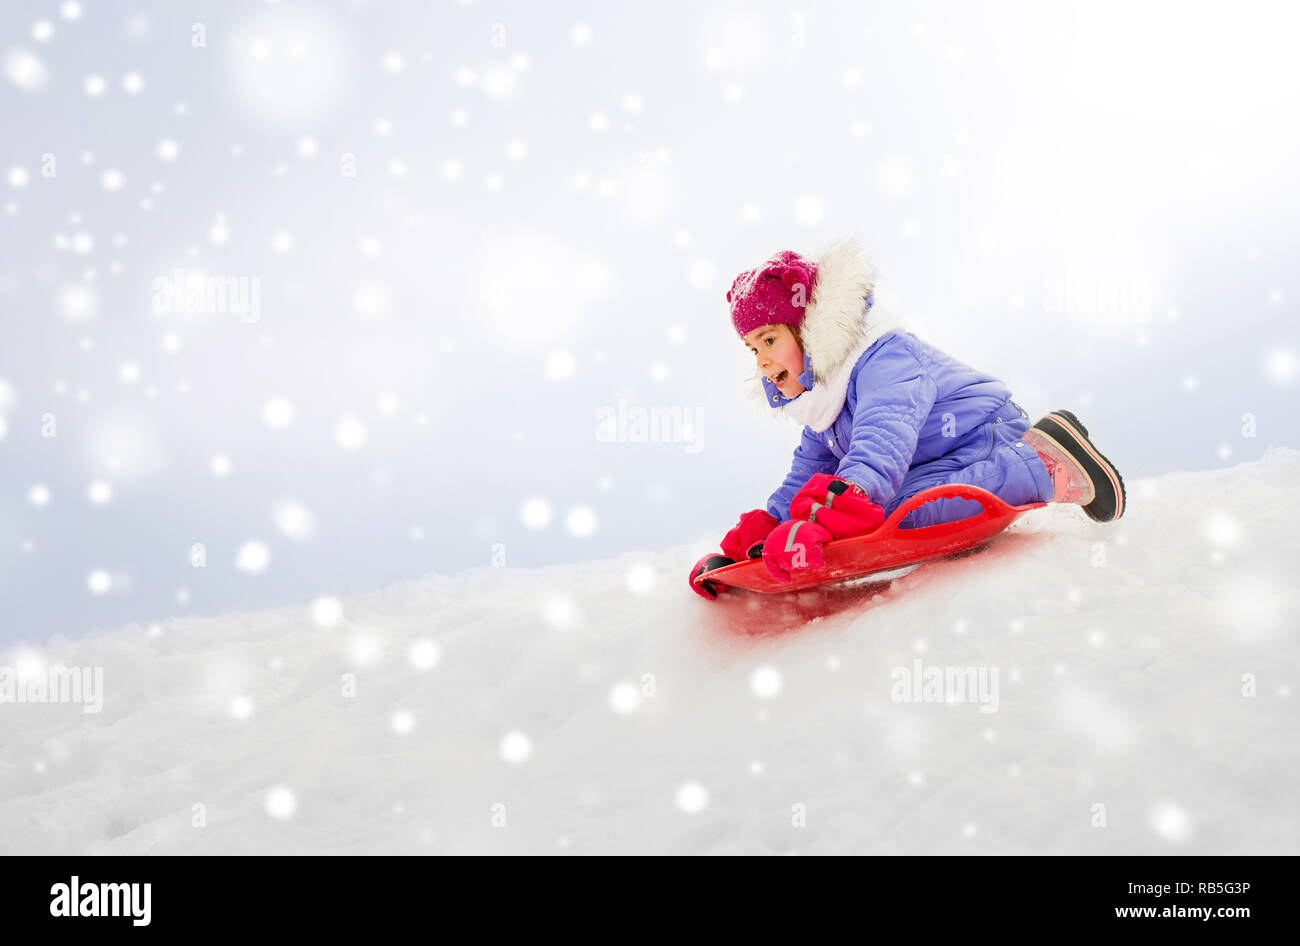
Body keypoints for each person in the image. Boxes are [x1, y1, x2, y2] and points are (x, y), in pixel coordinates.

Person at [690, 237, 1126, 598]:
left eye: (769, 339)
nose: (763, 360)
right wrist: (764, 536)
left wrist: (846, 503)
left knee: (903, 516)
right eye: (753, 348)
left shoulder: (885, 357)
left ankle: (1044, 463)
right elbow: (809, 472)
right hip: (939, 457)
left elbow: (883, 442)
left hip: (984, 435)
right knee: (868, 515)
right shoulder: (823, 399)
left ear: (806, 327)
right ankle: (1034, 458)